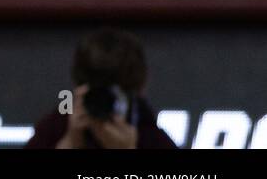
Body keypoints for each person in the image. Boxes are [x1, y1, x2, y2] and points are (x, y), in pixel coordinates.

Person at [23, 28, 178, 149]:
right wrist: (70, 143)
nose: (105, 104)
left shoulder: (150, 137)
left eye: (115, 97)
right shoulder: (55, 129)